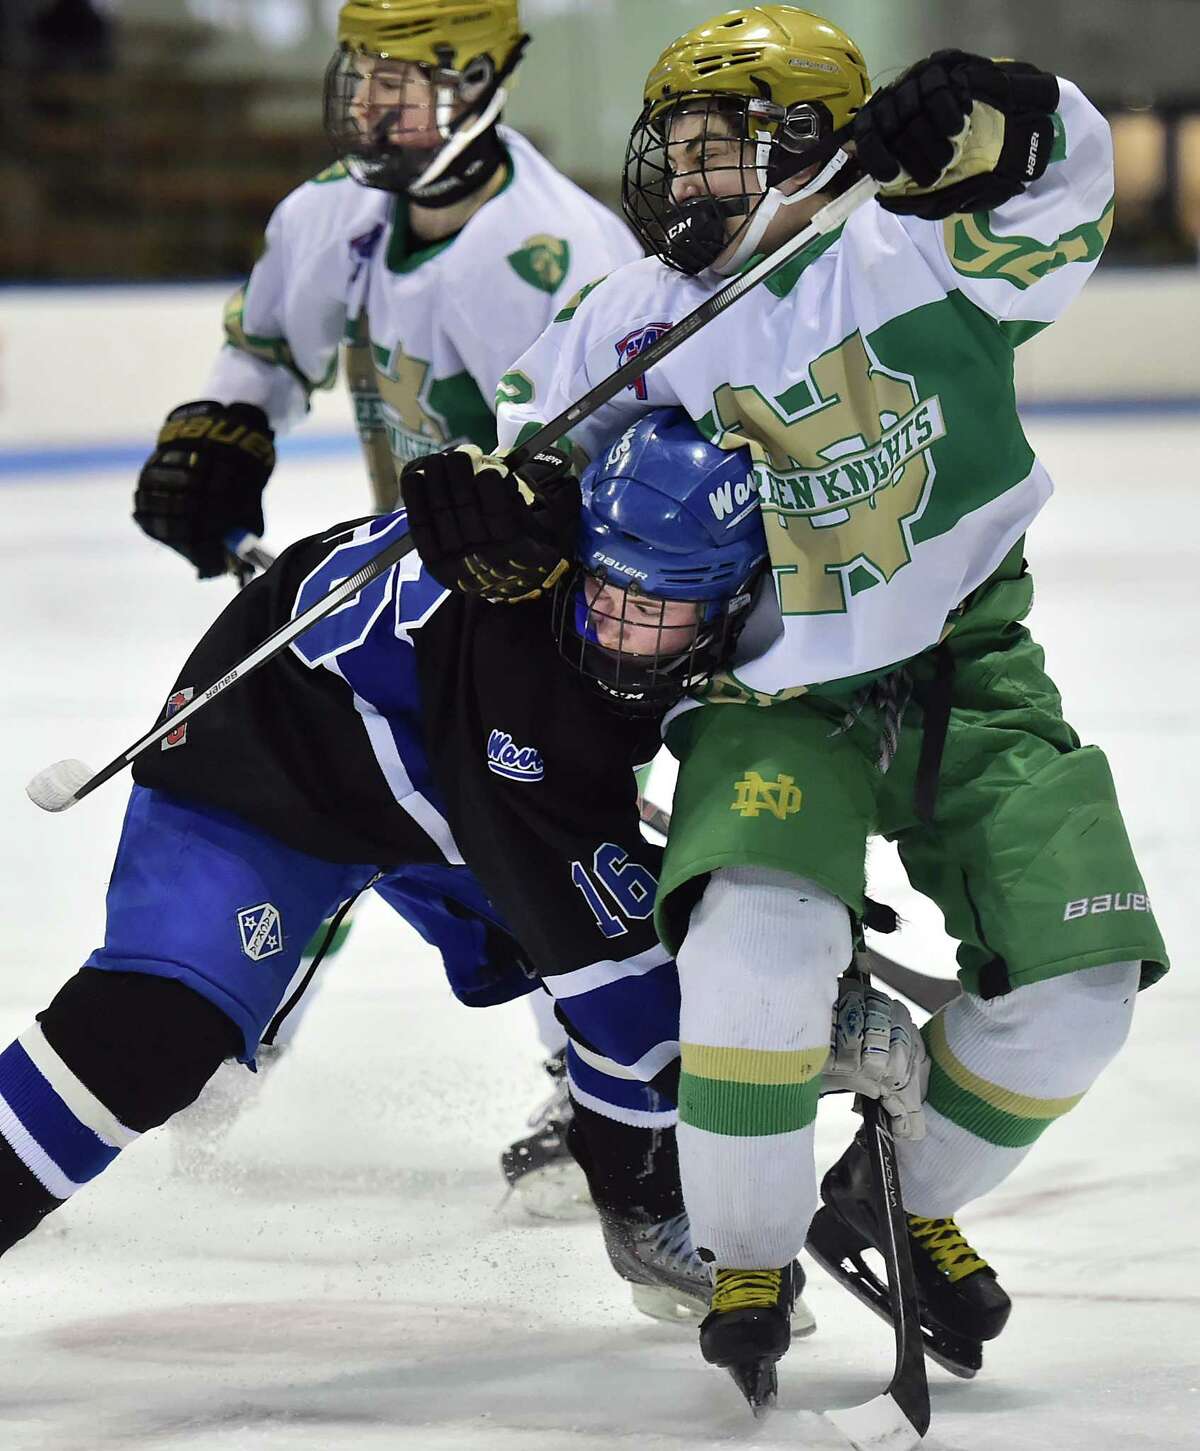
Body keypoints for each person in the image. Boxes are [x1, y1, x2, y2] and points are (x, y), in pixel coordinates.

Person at [409, 3, 1168, 1405]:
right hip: (766, 694)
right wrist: (483, 501)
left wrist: (1000, 111)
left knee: (1081, 991)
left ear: (815, 147)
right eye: (676, 151)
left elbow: (1064, 187)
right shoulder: (632, 318)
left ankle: (898, 1193)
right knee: (756, 957)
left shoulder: (924, 252)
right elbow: (518, 443)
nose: (682, 180)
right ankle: (749, 1249)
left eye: (720, 149)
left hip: (966, 667)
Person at [127, 0, 642, 1208]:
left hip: (534, 603)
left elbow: (606, 470)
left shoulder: (558, 255)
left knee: (540, 834)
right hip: (399, 592)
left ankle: (597, 1079)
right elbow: (263, 349)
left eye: (404, 81)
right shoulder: (332, 214)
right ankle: (219, 1004)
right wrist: (226, 430)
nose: (370, 104)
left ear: (481, 79)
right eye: (360, 75)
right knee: (311, 785)